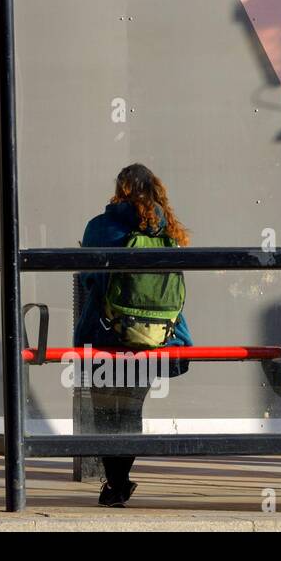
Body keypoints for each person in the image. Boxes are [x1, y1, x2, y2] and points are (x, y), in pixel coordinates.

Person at [74, 163, 193, 507]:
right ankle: (118, 483)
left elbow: (88, 280)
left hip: (105, 333)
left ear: (120, 189)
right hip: (155, 336)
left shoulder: (100, 227)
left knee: (105, 413)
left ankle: (116, 483)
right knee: (129, 411)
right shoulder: (168, 229)